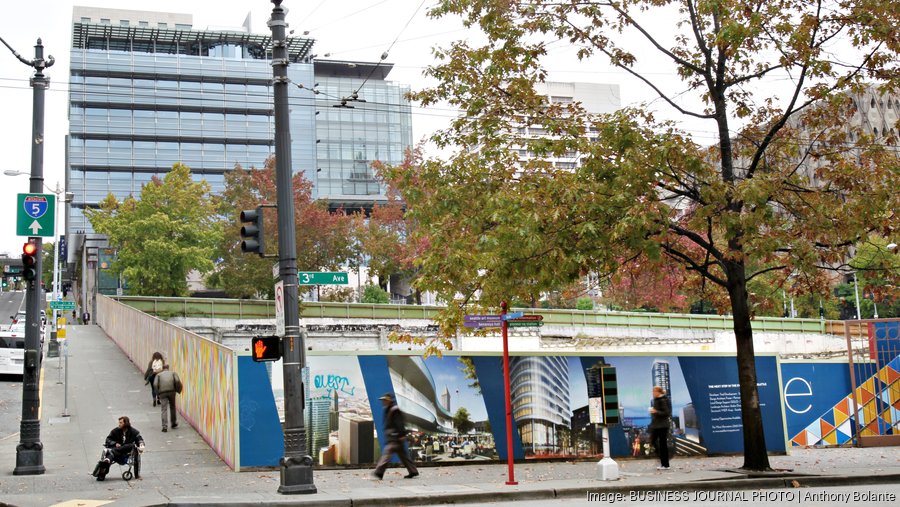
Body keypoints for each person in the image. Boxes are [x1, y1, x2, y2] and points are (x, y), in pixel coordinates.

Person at [373, 393, 418, 480]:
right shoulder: (388, 409)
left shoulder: (394, 410)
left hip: (395, 436)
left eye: (385, 400)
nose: (383, 402)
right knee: (403, 456)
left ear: (389, 401)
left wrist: (401, 434)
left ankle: (379, 472)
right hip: (394, 437)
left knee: (387, 453)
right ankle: (413, 471)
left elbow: (399, 423)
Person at [649, 385, 672, 470]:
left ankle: (665, 464)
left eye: (654, 391)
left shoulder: (663, 400)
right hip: (657, 425)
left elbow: (667, 412)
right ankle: (664, 461)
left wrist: (656, 411)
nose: (653, 393)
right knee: (654, 442)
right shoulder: (656, 400)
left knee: (662, 444)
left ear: (658, 392)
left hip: (662, 426)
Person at [153, 364, 182, 432]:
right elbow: (177, 381)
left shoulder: (158, 375)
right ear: (168, 368)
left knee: (164, 409)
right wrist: (178, 389)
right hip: (172, 391)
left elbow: (155, 384)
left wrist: (158, 393)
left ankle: (164, 426)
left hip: (162, 393)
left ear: (162, 368)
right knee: (172, 407)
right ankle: (173, 423)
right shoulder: (173, 373)